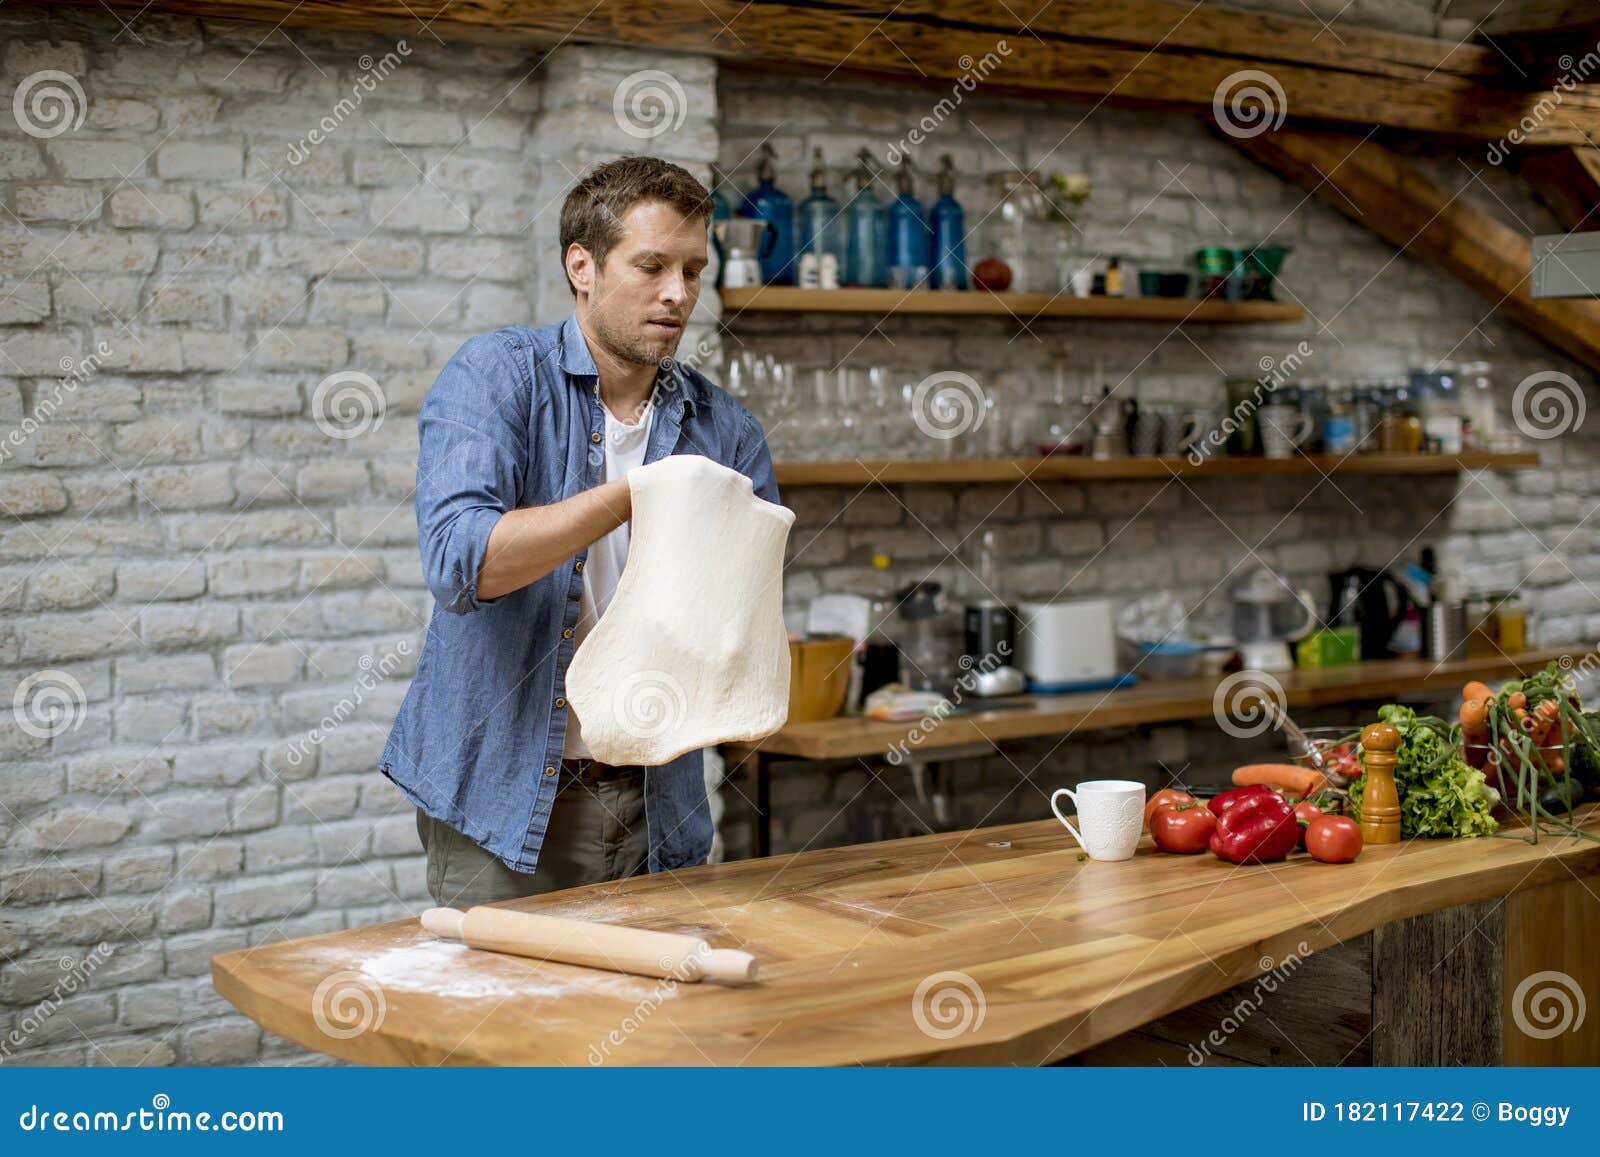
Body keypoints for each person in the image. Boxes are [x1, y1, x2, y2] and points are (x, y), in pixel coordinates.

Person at [381, 156, 778, 908]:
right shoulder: (496, 376)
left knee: (658, 1022)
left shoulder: (725, 428)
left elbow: (742, 617)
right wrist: (634, 495)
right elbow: (462, 564)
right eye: (652, 265)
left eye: (694, 270)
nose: (679, 294)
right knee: (507, 1020)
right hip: (506, 804)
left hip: (660, 803)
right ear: (582, 265)